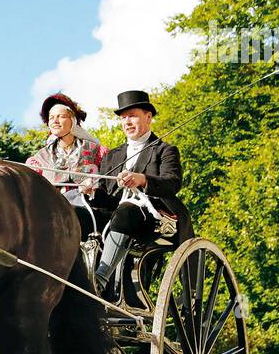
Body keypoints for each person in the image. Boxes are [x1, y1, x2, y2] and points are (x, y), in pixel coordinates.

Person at [89, 90, 191, 295]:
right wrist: (91, 191)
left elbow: (173, 183)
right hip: (115, 215)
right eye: (123, 118)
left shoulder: (165, 150)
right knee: (77, 214)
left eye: (132, 115)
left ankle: (99, 279)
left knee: (127, 210)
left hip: (154, 217)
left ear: (148, 117)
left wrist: (143, 179)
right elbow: (107, 199)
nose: (127, 122)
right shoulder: (112, 156)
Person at [24, 93, 108, 221]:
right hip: (51, 215)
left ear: (73, 121)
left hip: (88, 213)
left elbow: (109, 185)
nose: (55, 121)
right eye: (51, 118)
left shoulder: (97, 151)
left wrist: (95, 186)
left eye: (61, 116)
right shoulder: (39, 159)